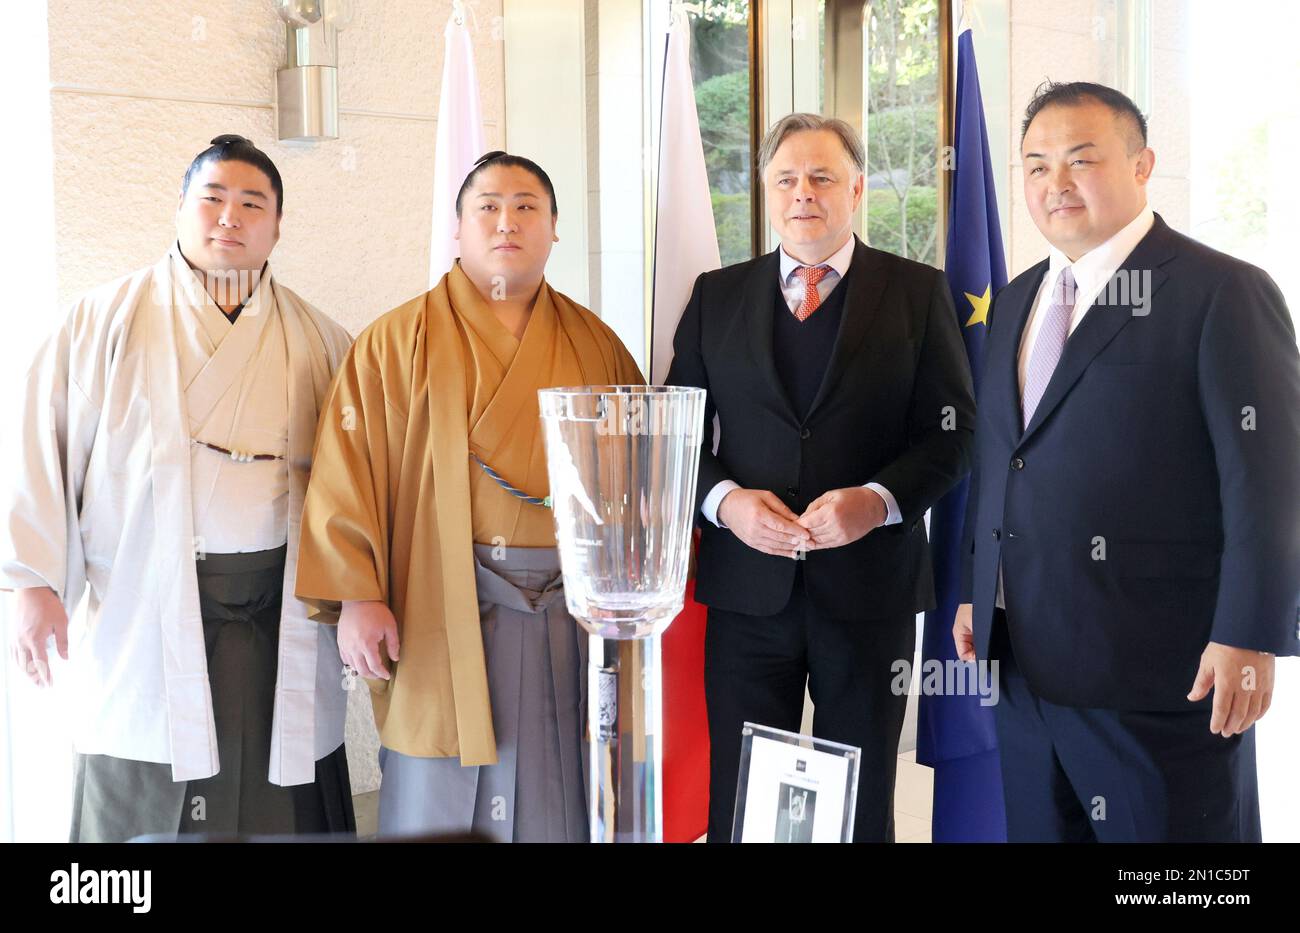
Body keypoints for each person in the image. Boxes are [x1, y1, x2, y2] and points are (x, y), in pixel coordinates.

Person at [953, 81, 1300, 842]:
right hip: (1025, 671)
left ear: (1142, 165)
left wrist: (1250, 634)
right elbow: (1003, 461)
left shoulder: (1222, 292)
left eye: (1081, 159)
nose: (1056, 183)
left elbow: (1269, 484)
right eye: (1037, 165)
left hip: (1163, 677)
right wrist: (984, 590)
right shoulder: (1016, 302)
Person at [2, 134, 356, 841]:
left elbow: (357, 484)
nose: (230, 216)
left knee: (281, 800)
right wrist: (31, 581)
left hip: (277, 605)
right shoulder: (100, 321)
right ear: (181, 210)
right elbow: (38, 449)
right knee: (149, 791)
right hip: (144, 603)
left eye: (252, 203)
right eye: (213, 198)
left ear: (278, 226)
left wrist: (362, 590)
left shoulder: (323, 339)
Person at [295, 151, 644, 842]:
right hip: (438, 599)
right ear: (458, 228)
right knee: (440, 787)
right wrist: (358, 594)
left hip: (570, 609)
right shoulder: (395, 342)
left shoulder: (596, 343)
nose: (506, 222)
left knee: (565, 786)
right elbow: (347, 470)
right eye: (487, 206)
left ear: (553, 229)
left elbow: (637, 478)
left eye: (526, 207)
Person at [666, 114, 976, 842]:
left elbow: (954, 433)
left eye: (822, 176)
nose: (803, 191)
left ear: (857, 188)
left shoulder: (918, 292)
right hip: (747, 594)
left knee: (861, 795)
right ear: (767, 192)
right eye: (787, 178)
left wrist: (879, 501)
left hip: (870, 594)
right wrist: (725, 502)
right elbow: (675, 431)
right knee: (743, 795)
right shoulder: (716, 296)